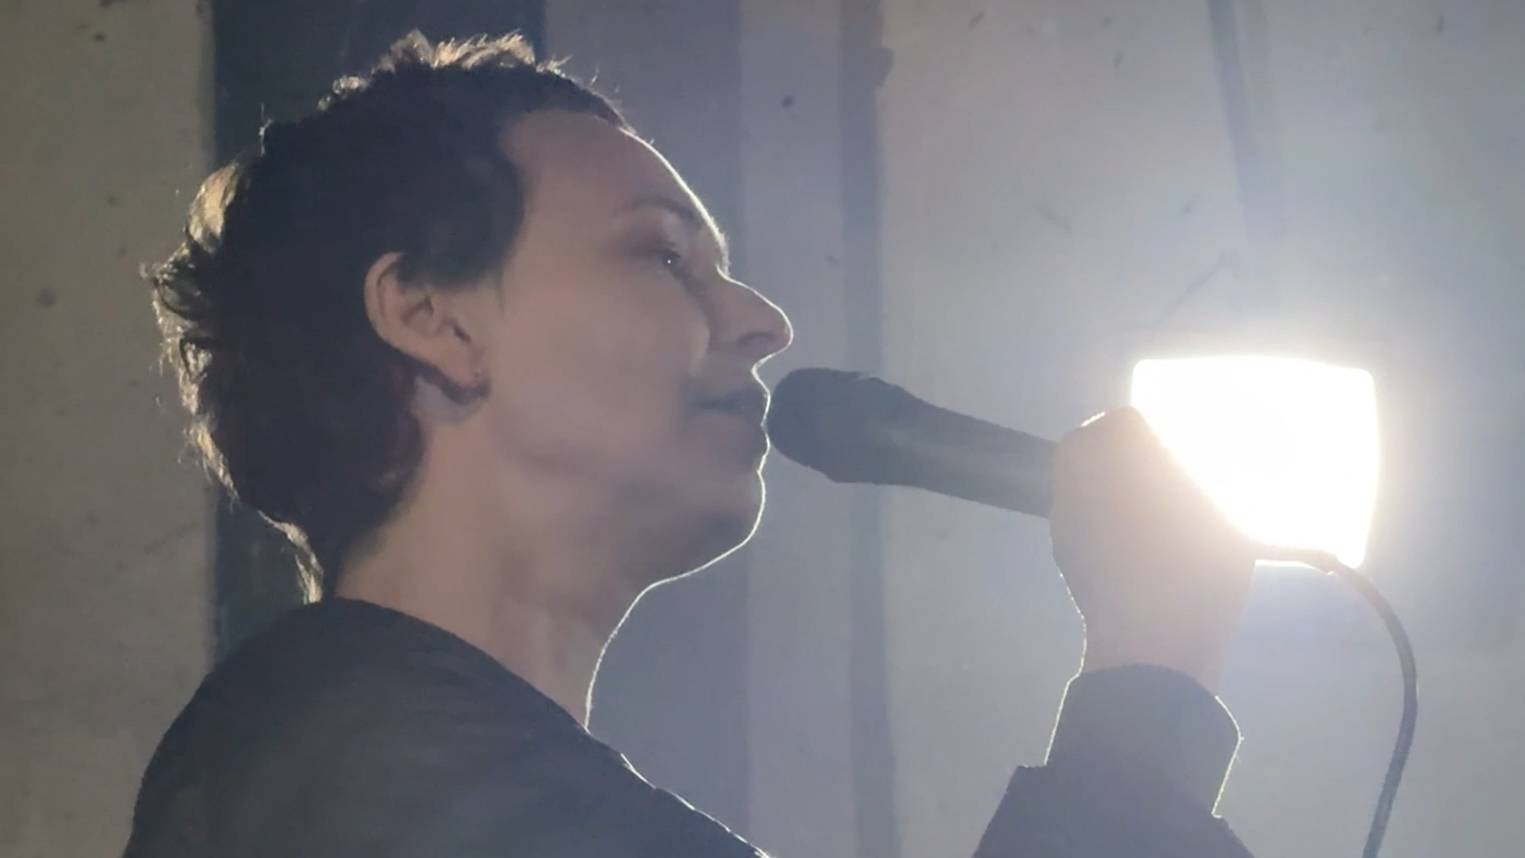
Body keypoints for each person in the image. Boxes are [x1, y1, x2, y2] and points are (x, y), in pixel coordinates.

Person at [124, 32, 1258, 857]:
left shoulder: (416, 760)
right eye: (662, 257)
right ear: (437, 321)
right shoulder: (348, 771)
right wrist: (1149, 662)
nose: (762, 322)